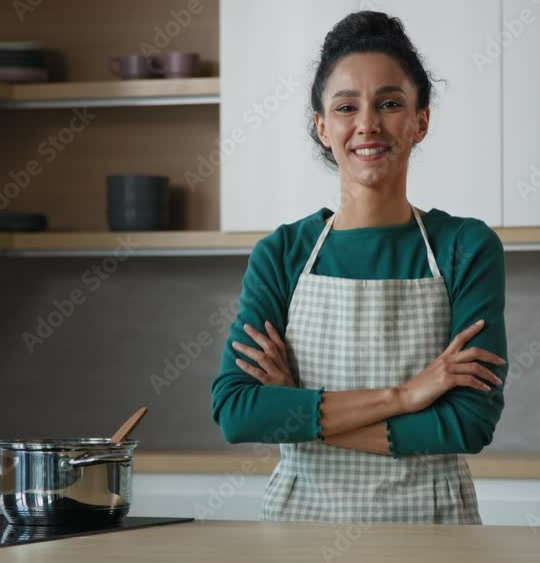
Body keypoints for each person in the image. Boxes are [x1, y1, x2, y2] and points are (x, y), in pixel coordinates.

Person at [210, 11, 508, 525]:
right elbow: (238, 412)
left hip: (434, 529)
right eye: (347, 107)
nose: (368, 124)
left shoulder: (465, 246)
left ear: (421, 121)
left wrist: (298, 410)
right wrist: (409, 395)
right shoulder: (282, 253)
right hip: (302, 528)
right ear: (323, 127)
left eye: (390, 103)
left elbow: (468, 423)